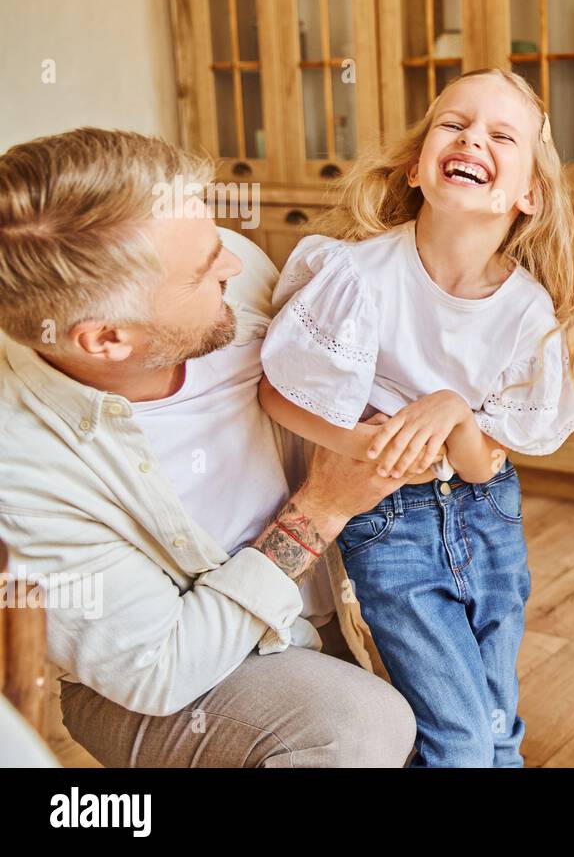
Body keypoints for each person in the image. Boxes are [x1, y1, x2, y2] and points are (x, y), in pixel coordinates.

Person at [0, 127, 417, 767]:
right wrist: (323, 508)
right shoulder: (21, 465)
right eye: (203, 271)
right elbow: (158, 668)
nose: (233, 262)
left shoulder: (240, 276)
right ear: (106, 338)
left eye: (217, 238)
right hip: (165, 682)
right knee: (357, 728)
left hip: (315, 610)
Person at [257, 68, 574, 767]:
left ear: (529, 193)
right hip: (392, 523)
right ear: (417, 166)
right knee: (460, 738)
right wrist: (368, 444)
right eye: (455, 123)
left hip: (488, 517)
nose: (473, 137)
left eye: (503, 135)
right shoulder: (358, 277)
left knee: (496, 725)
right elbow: (277, 395)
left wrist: (450, 413)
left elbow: (479, 466)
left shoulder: (528, 311)